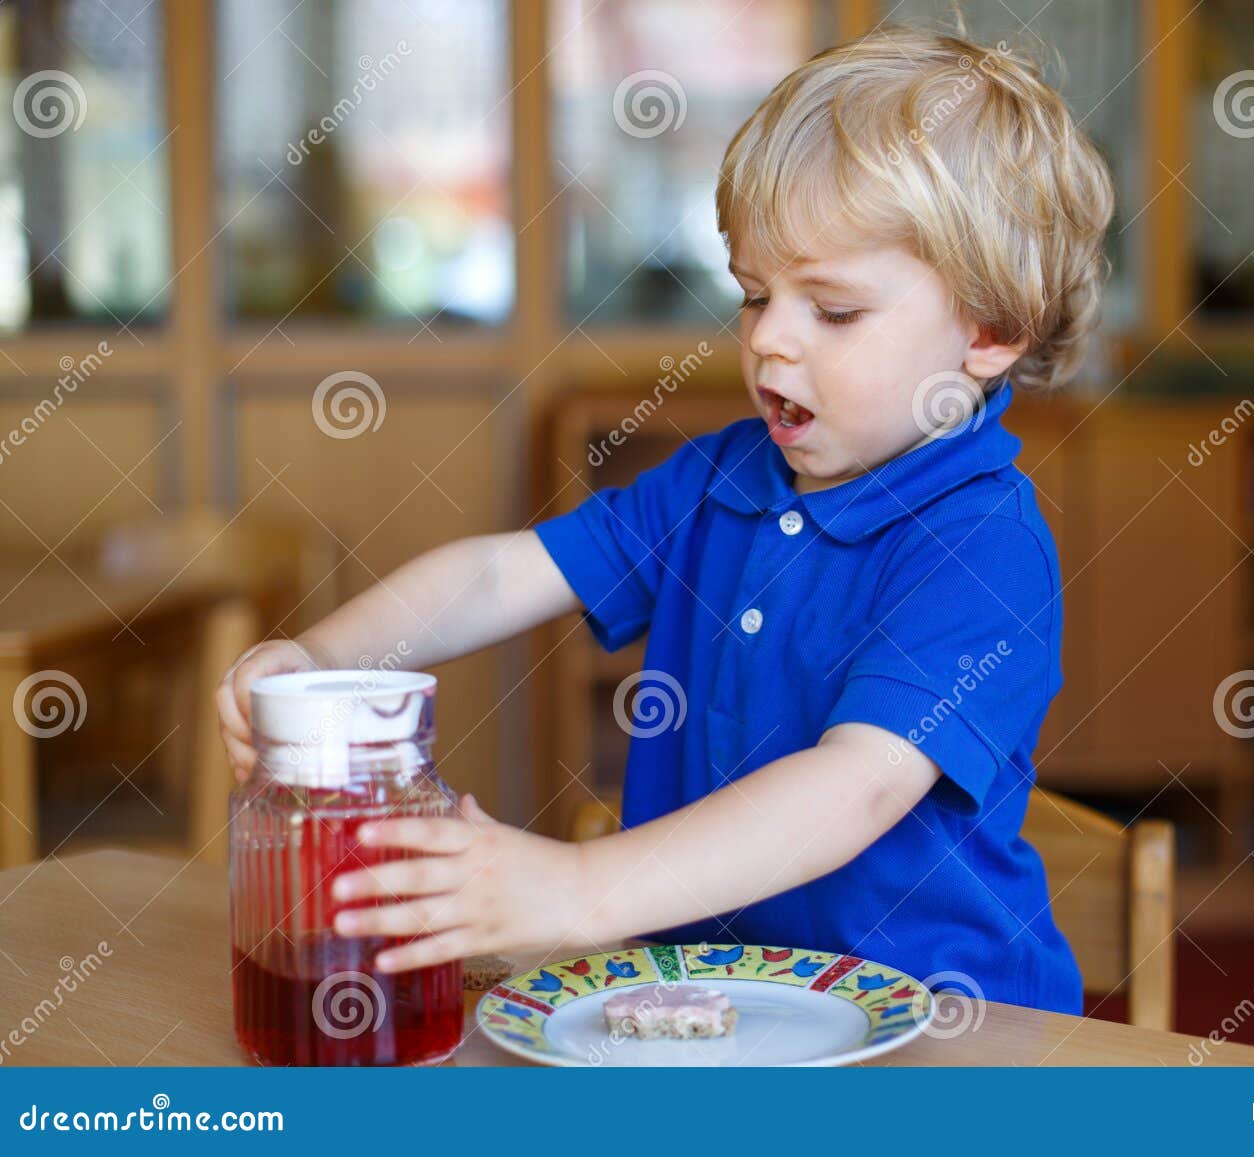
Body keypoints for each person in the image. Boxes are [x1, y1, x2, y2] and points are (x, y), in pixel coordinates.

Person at [217, 23, 1113, 1015]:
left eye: (834, 310)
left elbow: (854, 783)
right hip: (720, 1012)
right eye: (756, 293)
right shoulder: (719, 479)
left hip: (950, 1033)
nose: (769, 337)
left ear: (987, 331)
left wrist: (577, 888)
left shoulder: (980, 545)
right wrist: (322, 656)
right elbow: (498, 576)